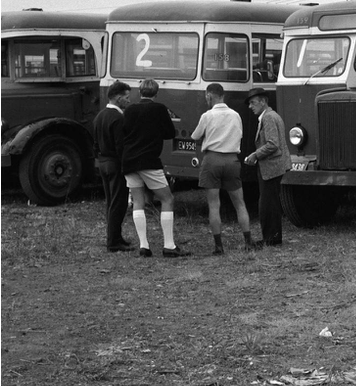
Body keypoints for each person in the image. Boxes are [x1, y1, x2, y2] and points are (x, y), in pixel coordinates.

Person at [120, 78, 186, 257]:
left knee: (138, 201)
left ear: (139, 92)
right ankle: (169, 245)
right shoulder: (159, 109)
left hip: (129, 161)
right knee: (167, 199)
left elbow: (124, 131)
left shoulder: (130, 109)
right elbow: (169, 133)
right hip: (149, 160)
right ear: (156, 93)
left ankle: (144, 245)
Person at [190, 83, 257, 255]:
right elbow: (239, 136)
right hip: (232, 160)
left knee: (214, 205)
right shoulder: (235, 115)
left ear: (209, 96)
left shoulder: (207, 115)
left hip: (212, 160)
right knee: (239, 203)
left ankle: (219, 246)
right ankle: (248, 241)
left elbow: (195, 136)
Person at [243, 88, 291, 246]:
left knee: (267, 205)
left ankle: (271, 239)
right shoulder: (270, 116)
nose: (250, 106)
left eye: (253, 102)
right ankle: (272, 238)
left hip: (271, 167)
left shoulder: (268, 118)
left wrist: (255, 155)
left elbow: (272, 144)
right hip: (274, 166)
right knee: (270, 204)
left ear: (263, 101)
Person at [93, 81, 133, 252]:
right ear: (118, 98)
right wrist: (127, 165)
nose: (128, 101)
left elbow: (94, 143)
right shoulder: (118, 118)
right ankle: (113, 241)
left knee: (110, 201)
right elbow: (120, 145)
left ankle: (115, 237)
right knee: (119, 202)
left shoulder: (100, 116)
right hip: (115, 163)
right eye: (126, 97)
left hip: (102, 162)